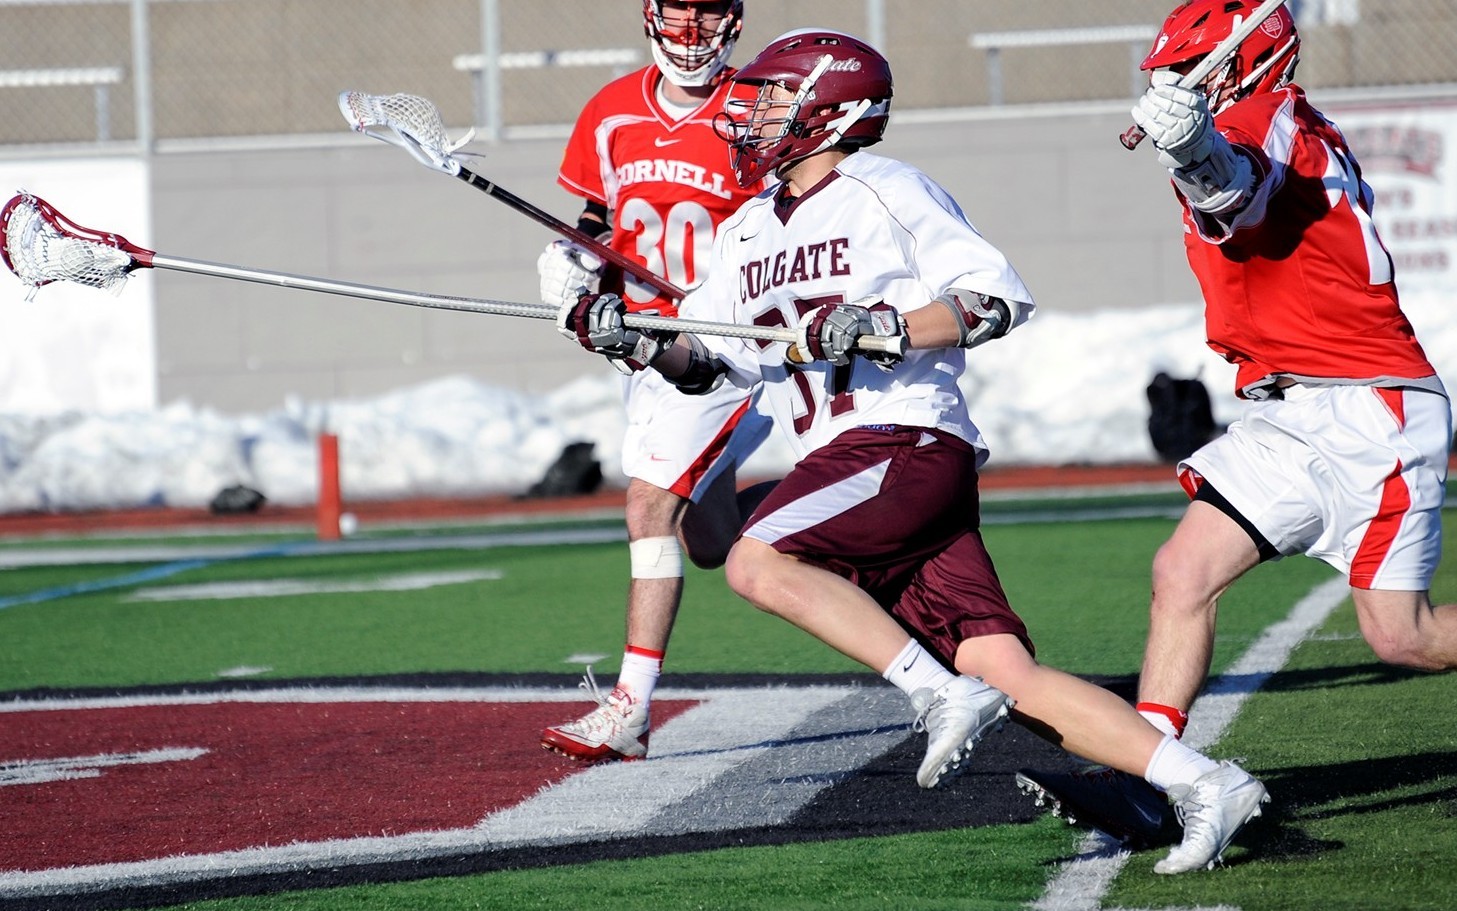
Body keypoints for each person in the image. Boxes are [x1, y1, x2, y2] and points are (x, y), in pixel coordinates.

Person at [561, 27, 1269, 875]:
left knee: (755, 559)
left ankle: (935, 692)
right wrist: (633, 339)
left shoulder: (881, 189)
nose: (749, 116)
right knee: (1008, 672)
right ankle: (1205, 783)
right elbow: (714, 361)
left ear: (831, 109)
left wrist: (888, 325)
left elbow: (997, 300)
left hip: (902, 438)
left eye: (773, 99)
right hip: (853, 459)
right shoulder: (748, 227)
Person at [1017, 0, 1457, 849]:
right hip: (1287, 407)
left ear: (1244, 57)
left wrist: (1192, 149)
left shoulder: (1268, 118)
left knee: (1401, 637)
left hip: (1366, 404)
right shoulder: (1256, 117)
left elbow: (1239, 190)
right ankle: (1150, 776)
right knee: (1182, 571)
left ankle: (1150, 771)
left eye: (1189, 71)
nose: (1173, 87)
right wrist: (1194, 149)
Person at [536, 0, 776, 765]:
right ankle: (853, 503)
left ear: (733, 23)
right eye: (680, 17)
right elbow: (596, 217)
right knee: (709, 541)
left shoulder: (758, 104)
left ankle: (631, 706)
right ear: (650, 18)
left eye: (708, 18)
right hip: (644, 346)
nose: (692, 36)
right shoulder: (610, 110)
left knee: (648, 506)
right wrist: (575, 264)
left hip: (727, 342)